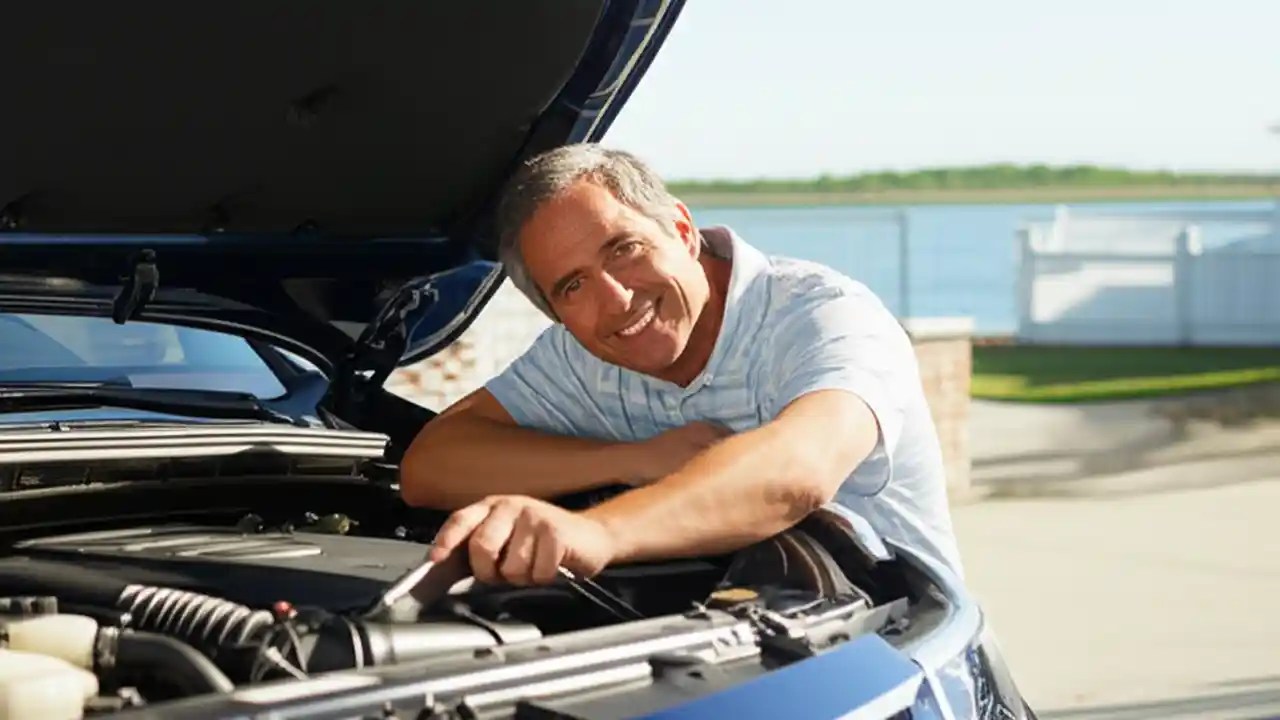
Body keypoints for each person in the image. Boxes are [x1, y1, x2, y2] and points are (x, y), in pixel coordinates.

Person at [399, 144, 963, 587]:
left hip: (909, 660)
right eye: (573, 286)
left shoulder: (820, 314)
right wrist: (631, 460)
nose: (616, 300)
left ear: (683, 230)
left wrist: (596, 532)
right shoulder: (580, 355)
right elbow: (429, 466)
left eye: (623, 248)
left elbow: (798, 471)